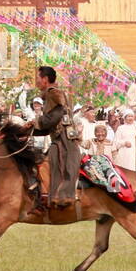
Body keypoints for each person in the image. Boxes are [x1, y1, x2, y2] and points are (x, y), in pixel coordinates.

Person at [24, 65, 81, 217]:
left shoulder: (53, 93)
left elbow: (52, 119)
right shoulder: (51, 94)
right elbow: (49, 124)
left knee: (60, 168)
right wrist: (28, 131)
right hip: (59, 139)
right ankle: (48, 200)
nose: (36, 82)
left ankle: (63, 200)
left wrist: (34, 123)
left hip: (64, 142)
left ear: (45, 79)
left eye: (38, 78)